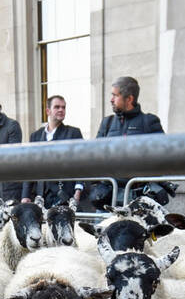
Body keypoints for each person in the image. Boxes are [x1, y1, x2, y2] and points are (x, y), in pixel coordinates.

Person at [90, 76, 165, 208]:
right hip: (108, 199)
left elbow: (162, 157)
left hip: (139, 199)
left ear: (129, 99)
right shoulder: (106, 123)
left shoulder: (149, 121)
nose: (111, 99)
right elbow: (96, 156)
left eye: (115, 95)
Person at [21, 94, 85, 207]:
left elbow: (81, 163)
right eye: (57, 107)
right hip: (41, 196)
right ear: (48, 111)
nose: (61, 110)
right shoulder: (35, 136)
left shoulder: (73, 133)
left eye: (63, 107)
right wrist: (25, 195)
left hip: (65, 194)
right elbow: (29, 167)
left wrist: (78, 191)